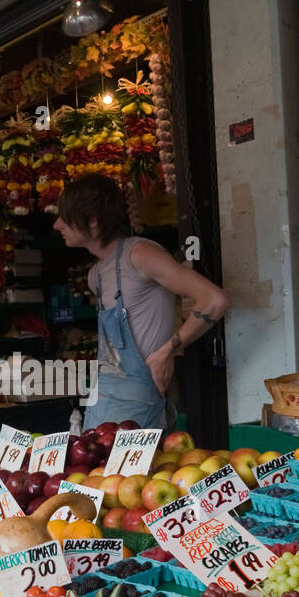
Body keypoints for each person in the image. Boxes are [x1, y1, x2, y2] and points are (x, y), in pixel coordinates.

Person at [53, 174, 232, 430]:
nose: (56, 224)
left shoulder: (140, 254)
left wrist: (167, 350)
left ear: (92, 221)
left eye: (64, 216)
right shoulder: (96, 275)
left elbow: (215, 299)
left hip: (137, 404)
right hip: (102, 399)